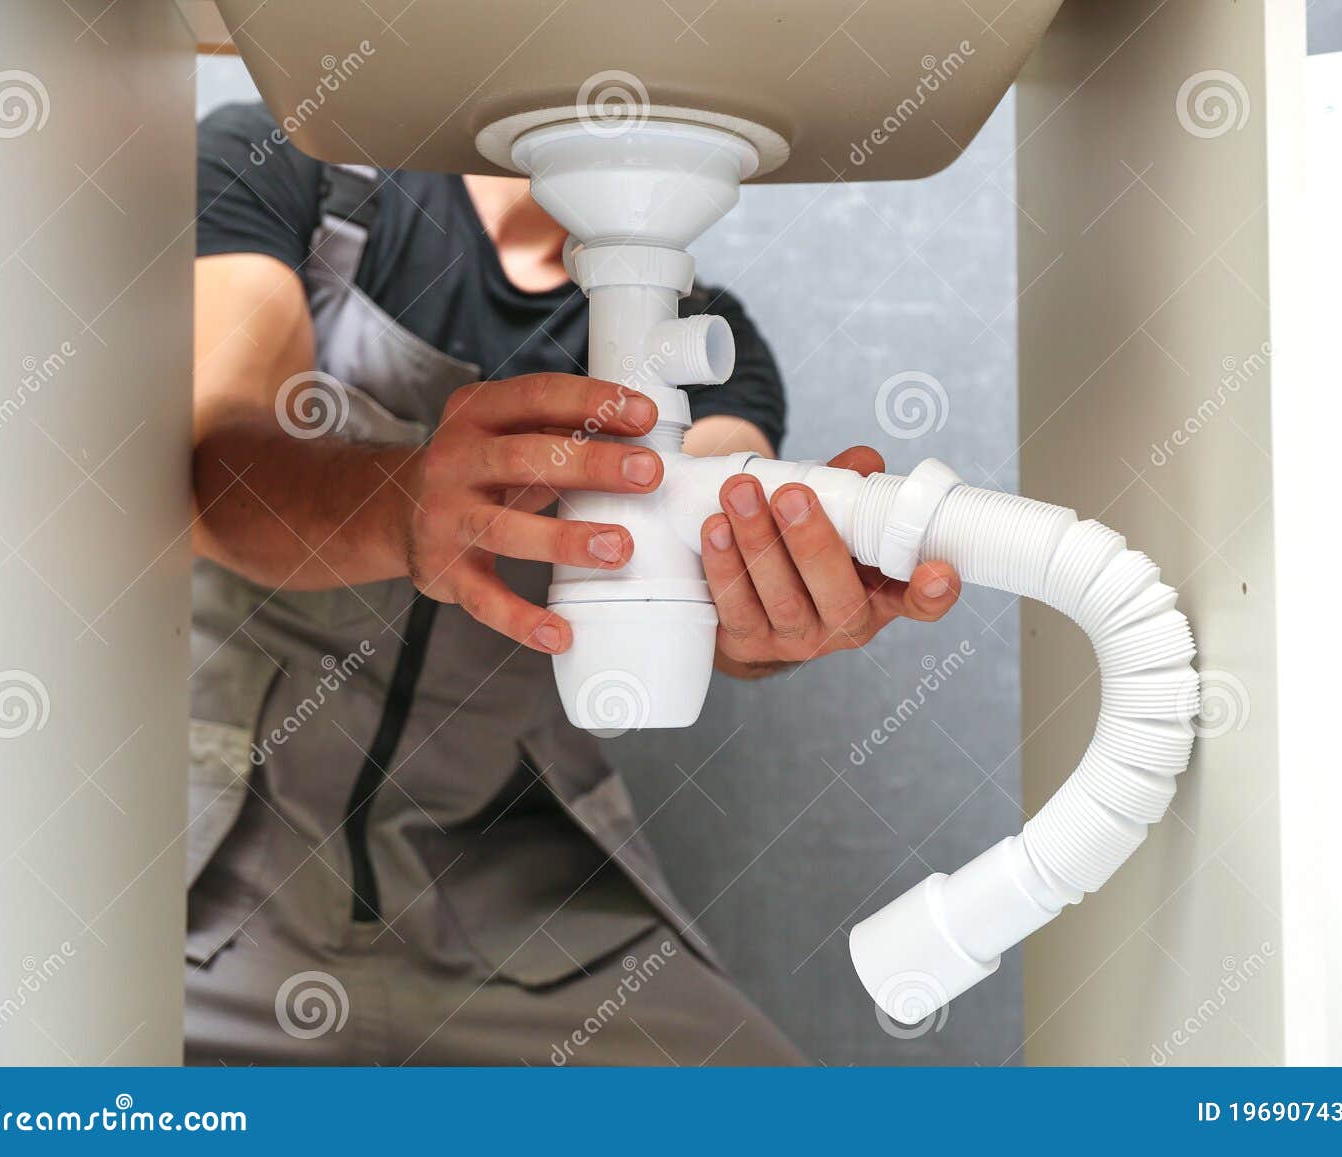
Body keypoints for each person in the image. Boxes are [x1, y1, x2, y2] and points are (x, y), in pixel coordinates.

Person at [184, 101, 962, 1065]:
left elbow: (721, 547)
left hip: (510, 905)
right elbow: (215, 467)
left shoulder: (710, 338)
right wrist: (399, 505)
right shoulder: (297, 169)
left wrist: (768, 595)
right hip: (213, 883)